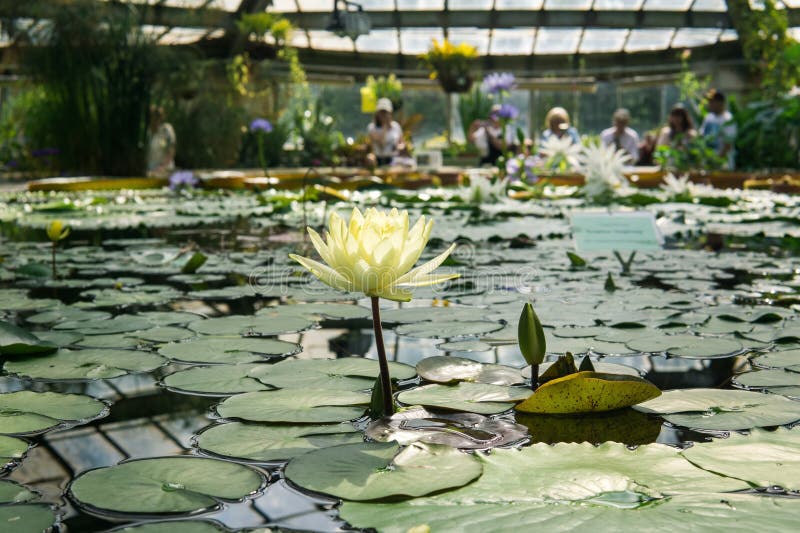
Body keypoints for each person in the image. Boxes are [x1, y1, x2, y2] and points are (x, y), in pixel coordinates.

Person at [700, 90, 737, 169]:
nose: (709, 104)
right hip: (708, 162)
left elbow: (728, 144)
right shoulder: (708, 117)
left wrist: (717, 161)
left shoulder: (728, 119)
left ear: (720, 103)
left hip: (723, 163)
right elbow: (702, 137)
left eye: (712, 102)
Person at [367, 98, 403, 166]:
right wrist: (385, 126)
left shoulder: (396, 126)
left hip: (394, 160)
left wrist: (398, 147)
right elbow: (381, 143)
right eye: (381, 112)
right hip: (378, 160)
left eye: (385, 112)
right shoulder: (372, 128)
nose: (384, 115)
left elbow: (401, 142)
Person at [147, 105, 176, 177]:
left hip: (165, 170)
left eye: (157, 118)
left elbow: (171, 150)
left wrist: (163, 167)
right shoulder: (148, 132)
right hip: (150, 170)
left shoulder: (167, 130)